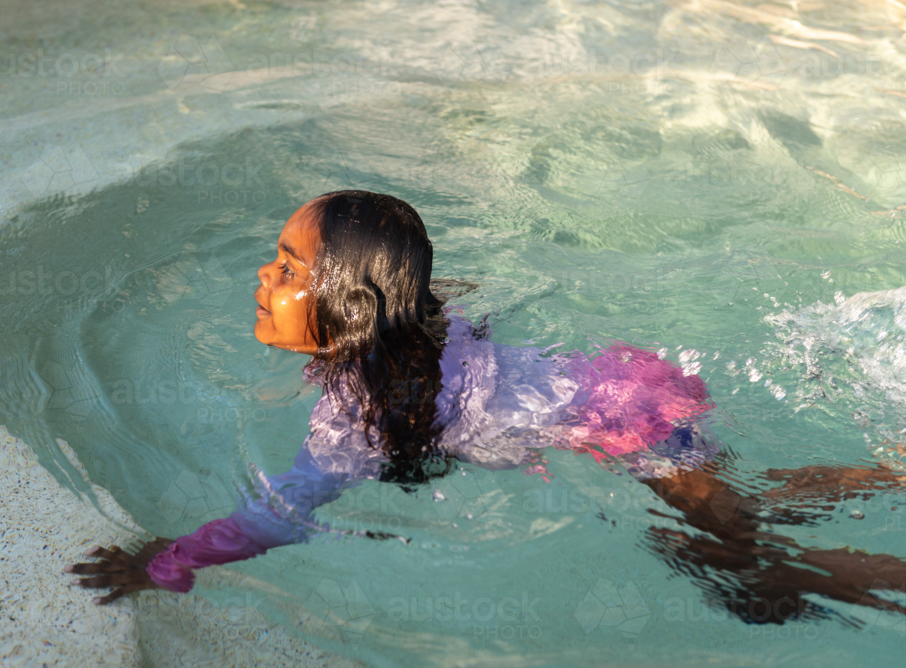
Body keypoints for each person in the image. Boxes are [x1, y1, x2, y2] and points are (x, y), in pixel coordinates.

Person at [67, 191, 906, 624]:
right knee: (740, 517)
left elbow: (281, 516)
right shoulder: (408, 342)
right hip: (628, 395)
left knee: (754, 576)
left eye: (288, 269)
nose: (263, 276)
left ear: (354, 312)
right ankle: (888, 476)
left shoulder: (358, 417)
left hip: (630, 431)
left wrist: (166, 561)